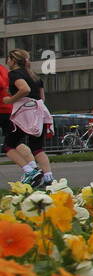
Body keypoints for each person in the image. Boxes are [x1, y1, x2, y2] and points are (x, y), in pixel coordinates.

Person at [3, 50, 55, 186]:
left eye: (8, 58)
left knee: (9, 145)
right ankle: (48, 178)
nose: (7, 61)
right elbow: (41, 97)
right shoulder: (35, 76)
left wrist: (10, 99)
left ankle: (29, 171)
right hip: (40, 113)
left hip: (24, 115)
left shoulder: (14, 74)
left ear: (13, 61)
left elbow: (24, 89)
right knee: (37, 148)